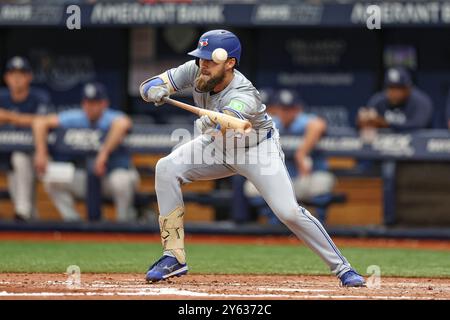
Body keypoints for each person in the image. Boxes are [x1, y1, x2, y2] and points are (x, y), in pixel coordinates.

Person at [139, 29, 365, 287]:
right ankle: (173, 256)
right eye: (202, 58)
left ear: (230, 63)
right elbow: (149, 84)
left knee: (288, 212)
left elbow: (230, 119)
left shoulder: (245, 93)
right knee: (166, 168)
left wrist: (211, 123)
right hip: (218, 147)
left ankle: (343, 268)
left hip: (257, 150)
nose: (204, 65)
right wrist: (154, 90)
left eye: (211, 60)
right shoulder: (195, 70)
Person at [33, 82, 139, 222]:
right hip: (85, 178)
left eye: (95, 103)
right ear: (83, 103)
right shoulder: (77, 117)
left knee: (122, 181)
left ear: (104, 103)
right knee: (51, 180)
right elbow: (39, 122)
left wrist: (103, 153)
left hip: (112, 175)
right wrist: (41, 152)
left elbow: (123, 123)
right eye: (88, 102)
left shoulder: (111, 117)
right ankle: (73, 222)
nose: (91, 107)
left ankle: (124, 223)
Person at [244, 89, 335, 206]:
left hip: (307, 177)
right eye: (282, 109)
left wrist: (301, 153)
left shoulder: (301, 121)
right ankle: (273, 222)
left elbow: (318, 125)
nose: (286, 113)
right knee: (251, 186)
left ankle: (316, 222)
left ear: (297, 109)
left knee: (322, 183)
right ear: (277, 109)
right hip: (281, 180)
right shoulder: (274, 122)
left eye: (290, 109)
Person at [0, 56, 52, 221]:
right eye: (12, 73)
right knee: (25, 207)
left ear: (29, 77)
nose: (16, 78)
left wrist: (8, 117)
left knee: (20, 157)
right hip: (7, 158)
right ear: (6, 77)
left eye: (21, 73)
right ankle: (27, 215)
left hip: (38, 155)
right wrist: (25, 119)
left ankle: (23, 211)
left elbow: (42, 120)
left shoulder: (39, 97)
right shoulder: (2, 96)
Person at [357, 67, 433, 131]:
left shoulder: (421, 101)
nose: (394, 93)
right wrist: (363, 122)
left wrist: (384, 123)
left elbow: (418, 125)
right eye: (391, 88)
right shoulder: (378, 101)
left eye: (399, 88)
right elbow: (365, 122)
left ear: (408, 89)